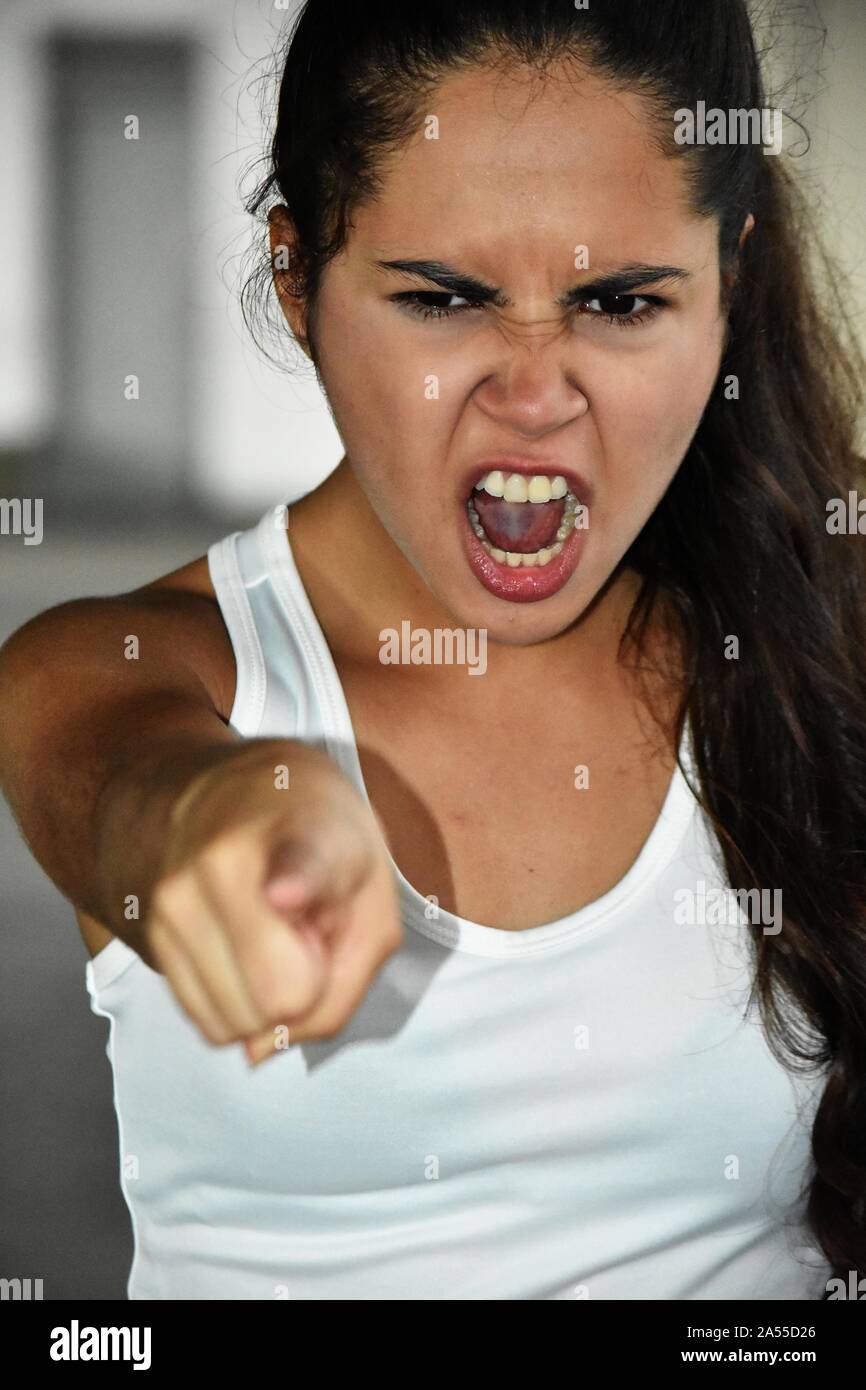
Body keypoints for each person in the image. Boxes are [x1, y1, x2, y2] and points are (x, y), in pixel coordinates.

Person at [1, 0, 864, 1300]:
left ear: (726, 287)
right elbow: (127, 780)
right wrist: (212, 815)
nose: (532, 390)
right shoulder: (120, 661)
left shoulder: (823, 631)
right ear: (297, 279)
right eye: (442, 298)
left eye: (620, 300)